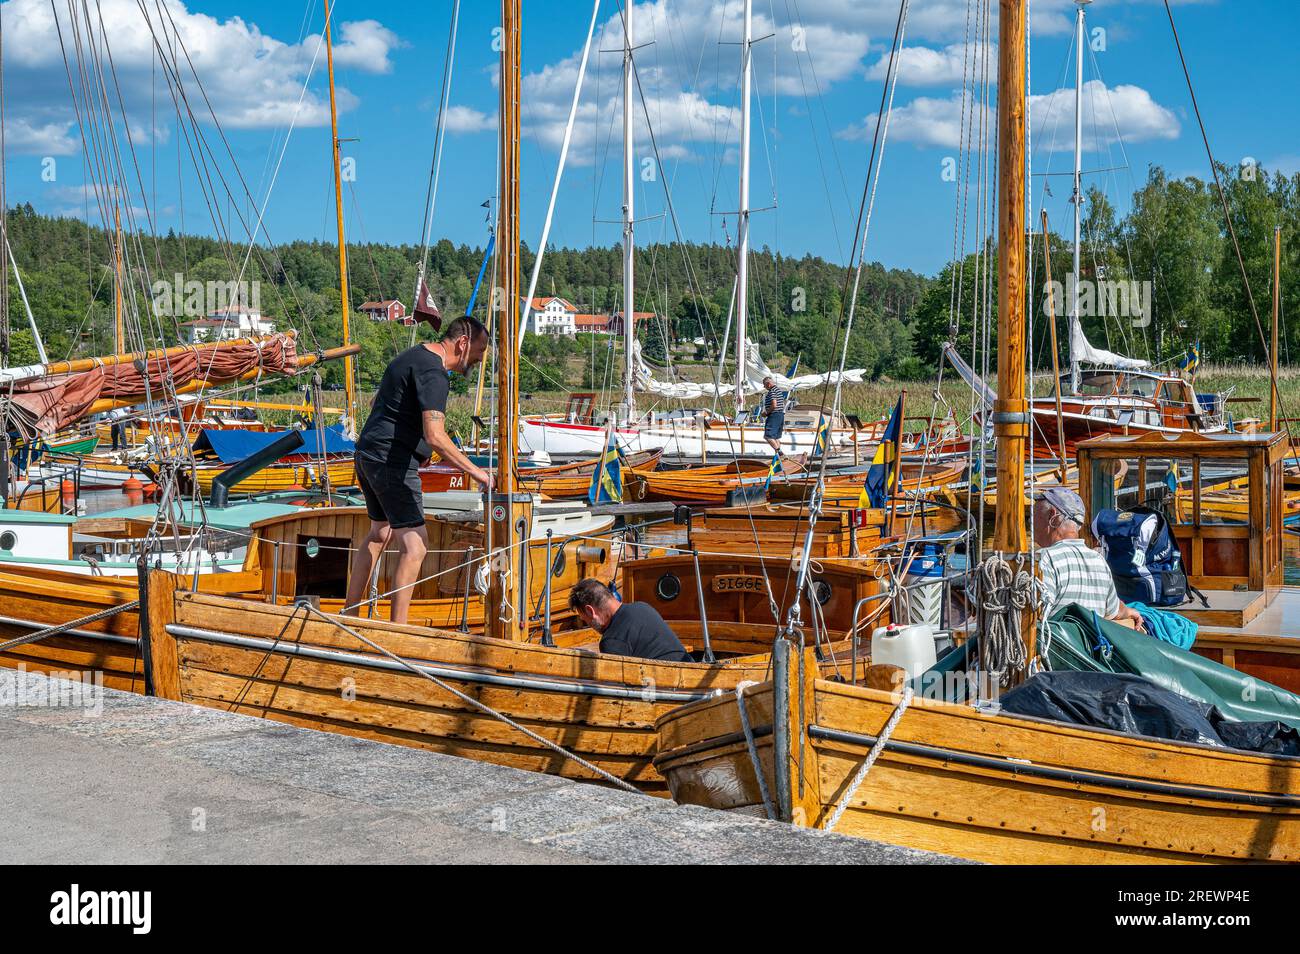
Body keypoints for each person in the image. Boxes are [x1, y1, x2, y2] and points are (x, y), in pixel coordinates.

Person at [343, 317, 492, 624]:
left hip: (367, 454)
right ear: (463, 344)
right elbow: (436, 435)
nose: (475, 362)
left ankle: (350, 614)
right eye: (477, 354)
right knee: (416, 545)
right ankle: (400, 632)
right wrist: (478, 473)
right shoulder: (435, 374)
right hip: (392, 462)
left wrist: (416, 449)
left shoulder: (410, 356)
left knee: (379, 532)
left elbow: (383, 405)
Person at [1032, 487, 1146, 631]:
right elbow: (1113, 610)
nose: (1030, 521)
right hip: (1088, 652)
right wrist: (1128, 611)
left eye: (1034, 514)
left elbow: (1033, 615)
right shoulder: (1098, 560)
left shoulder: (1044, 559)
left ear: (1052, 516)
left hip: (1054, 651)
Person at [568, 578, 691, 662]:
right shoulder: (642, 607)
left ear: (591, 611)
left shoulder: (612, 641)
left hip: (670, 689)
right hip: (691, 671)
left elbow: (615, 688)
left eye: (585, 620)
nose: (589, 625)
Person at [761, 375, 785, 453]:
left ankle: (780, 453)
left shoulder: (772, 391)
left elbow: (774, 405)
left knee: (768, 436)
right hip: (780, 415)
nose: (764, 387)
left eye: (764, 385)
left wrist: (766, 413)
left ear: (768, 384)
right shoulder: (778, 390)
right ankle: (778, 456)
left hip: (774, 415)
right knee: (776, 437)